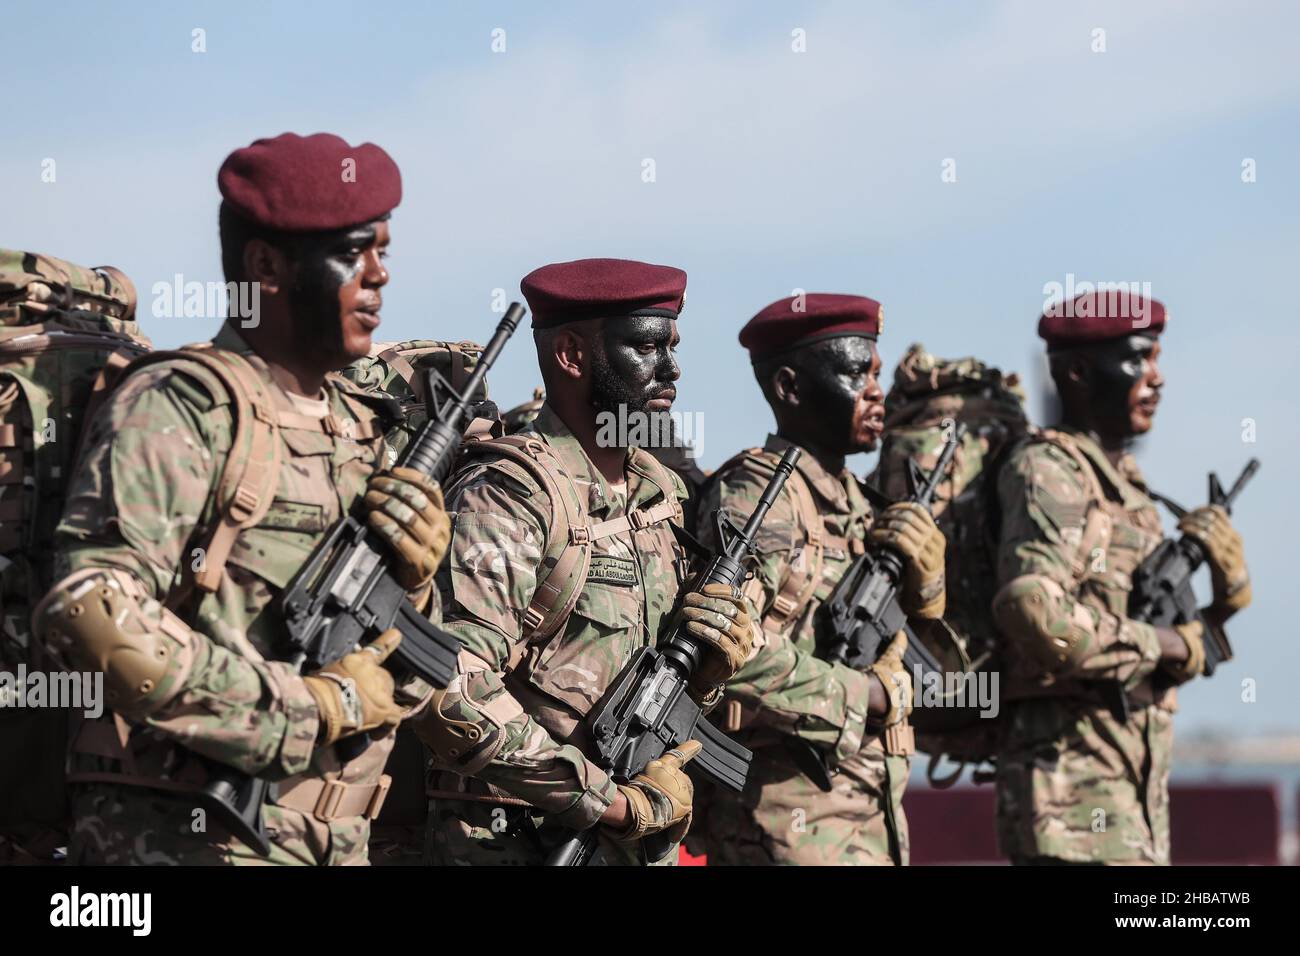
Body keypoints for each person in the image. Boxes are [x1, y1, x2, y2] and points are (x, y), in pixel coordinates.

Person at [33, 132, 450, 865]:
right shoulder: (185, 407)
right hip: (189, 842)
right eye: (355, 251)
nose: (380, 275)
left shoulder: (364, 430)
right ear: (266, 266)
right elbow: (91, 612)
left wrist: (414, 587)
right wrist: (303, 708)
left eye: (384, 250)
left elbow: (405, 679)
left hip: (337, 843)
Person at [415, 257, 752, 865]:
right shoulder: (510, 494)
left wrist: (700, 682)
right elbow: (450, 689)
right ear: (571, 356)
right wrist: (611, 804)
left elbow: (634, 686)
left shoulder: (661, 496)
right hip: (515, 843)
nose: (671, 370)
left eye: (673, 347)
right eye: (647, 347)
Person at [992, 290, 1250, 865]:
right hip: (1068, 803)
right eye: (1139, 359)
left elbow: (1160, 649)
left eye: (1158, 359)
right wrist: (1167, 642)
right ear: (1078, 372)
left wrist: (1223, 605)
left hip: (1127, 795)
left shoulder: (1124, 482)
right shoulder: (1050, 470)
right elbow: (1035, 612)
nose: (1156, 379)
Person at [693, 293, 946, 865]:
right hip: (783, 826)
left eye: (879, 373)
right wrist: (868, 696)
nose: (876, 391)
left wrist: (928, 595)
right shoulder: (763, 499)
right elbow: (724, 649)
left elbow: (937, 684)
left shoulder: (862, 506)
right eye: (858, 372)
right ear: (790, 387)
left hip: (869, 821)